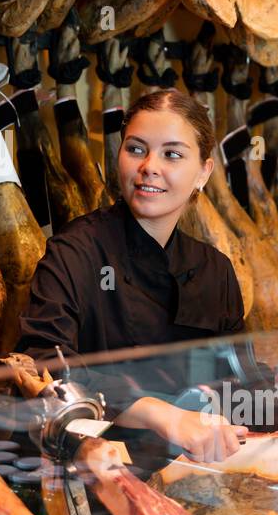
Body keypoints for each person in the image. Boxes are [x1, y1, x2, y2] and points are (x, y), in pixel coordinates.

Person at [16, 88, 246, 463]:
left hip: (194, 470)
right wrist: (162, 414)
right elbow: (43, 363)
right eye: (136, 149)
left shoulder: (214, 269)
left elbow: (235, 374)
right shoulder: (75, 252)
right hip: (94, 469)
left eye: (172, 154)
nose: (149, 166)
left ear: (204, 171)